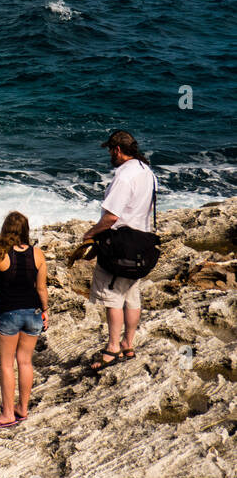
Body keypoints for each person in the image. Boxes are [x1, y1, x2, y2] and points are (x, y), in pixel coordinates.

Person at [81, 130, 157, 371]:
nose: (110, 156)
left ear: (117, 150)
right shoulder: (147, 172)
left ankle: (112, 348)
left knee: (113, 298)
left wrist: (90, 233)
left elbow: (112, 216)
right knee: (132, 296)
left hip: (121, 244)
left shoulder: (125, 176)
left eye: (110, 151)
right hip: (142, 243)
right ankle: (128, 343)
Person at [0, 211, 49, 428]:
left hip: (8, 314)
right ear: (26, 230)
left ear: (5, 229)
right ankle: (23, 408)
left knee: (6, 365)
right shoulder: (38, 254)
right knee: (26, 362)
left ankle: (8, 413)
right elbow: (41, 288)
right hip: (33, 314)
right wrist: (45, 310)